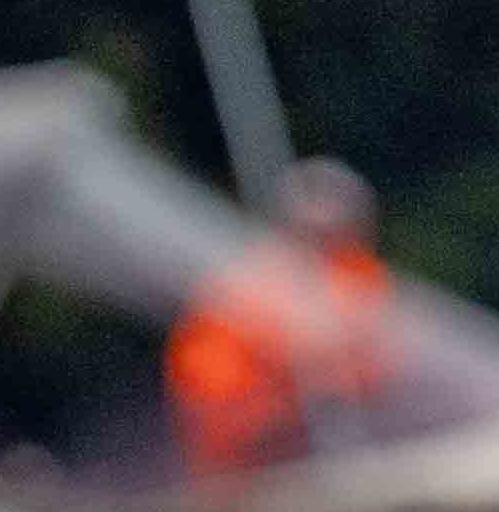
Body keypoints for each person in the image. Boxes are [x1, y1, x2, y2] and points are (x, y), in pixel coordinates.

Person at [163, 158, 399, 486]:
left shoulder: (361, 276)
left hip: (341, 443)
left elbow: (372, 366)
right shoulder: (245, 290)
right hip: (251, 462)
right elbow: (210, 392)